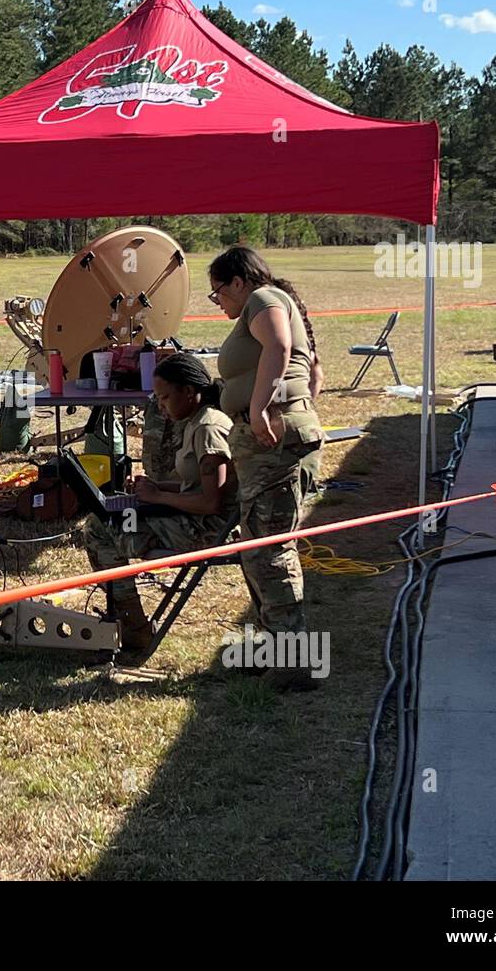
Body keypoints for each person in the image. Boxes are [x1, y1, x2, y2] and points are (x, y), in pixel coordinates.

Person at [208, 246, 325, 687]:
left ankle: (295, 661)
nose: (218, 300)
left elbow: (279, 344)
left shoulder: (263, 299)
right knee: (256, 544)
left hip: (272, 437)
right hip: (265, 438)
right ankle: (273, 645)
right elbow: (310, 367)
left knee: (270, 548)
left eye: (217, 291)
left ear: (239, 282)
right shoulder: (263, 303)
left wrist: (259, 408)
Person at [83, 353, 238, 654]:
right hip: (192, 519)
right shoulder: (197, 422)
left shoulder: (208, 428)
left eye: (166, 397)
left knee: (100, 530)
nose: (162, 406)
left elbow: (211, 502)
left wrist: (159, 497)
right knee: (103, 520)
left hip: (205, 530)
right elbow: (195, 484)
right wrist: (156, 488)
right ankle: (131, 622)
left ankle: (132, 626)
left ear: (190, 392)